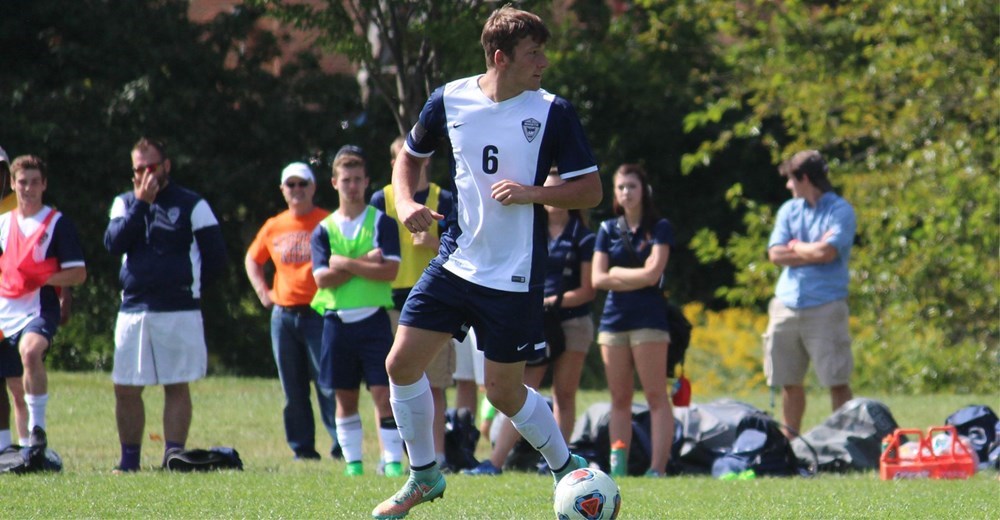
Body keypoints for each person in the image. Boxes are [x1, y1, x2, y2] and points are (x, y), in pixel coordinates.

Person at [372, 6, 602, 518]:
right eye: (533, 54)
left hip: (514, 275)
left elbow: (590, 191)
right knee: (400, 363)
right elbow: (409, 156)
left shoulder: (552, 112)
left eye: (543, 51)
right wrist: (406, 203)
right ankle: (424, 476)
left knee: (501, 390)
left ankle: (567, 468)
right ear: (500, 57)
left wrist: (532, 192)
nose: (543, 62)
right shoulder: (449, 98)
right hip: (456, 260)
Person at [104, 137, 227, 472]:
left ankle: (173, 457)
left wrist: (187, 286)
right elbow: (114, 244)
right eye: (138, 168)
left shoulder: (192, 204)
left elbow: (217, 258)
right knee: (126, 387)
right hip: (134, 309)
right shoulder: (124, 203)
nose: (146, 173)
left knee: (177, 383)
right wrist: (141, 204)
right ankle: (129, 461)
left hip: (179, 308)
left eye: (152, 166)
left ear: (166, 166)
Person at [465, 169, 596, 475]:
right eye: (548, 190)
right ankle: (495, 462)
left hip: (573, 322)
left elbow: (588, 289)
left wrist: (552, 302)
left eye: (560, 191)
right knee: (523, 390)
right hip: (536, 320)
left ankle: (560, 464)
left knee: (565, 393)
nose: (554, 199)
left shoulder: (583, 235)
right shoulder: (530, 228)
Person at [310, 145, 402, 477]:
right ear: (334, 182)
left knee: (383, 393)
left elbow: (389, 271)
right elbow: (322, 279)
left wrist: (345, 263)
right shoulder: (323, 229)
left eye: (358, 180)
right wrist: (366, 262)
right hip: (337, 323)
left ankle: (391, 461)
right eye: (346, 179)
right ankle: (354, 464)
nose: (352, 186)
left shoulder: (382, 223)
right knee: (344, 397)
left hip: (373, 319)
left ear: (366, 182)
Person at [370, 136, 456, 472]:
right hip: (391, 299)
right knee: (391, 382)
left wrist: (434, 242)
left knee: (435, 384)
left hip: (435, 300)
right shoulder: (382, 200)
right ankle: (391, 457)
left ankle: (439, 458)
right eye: (401, 158)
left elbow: (462, 249)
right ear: (395, 164)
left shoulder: (444, 198)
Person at [245, 161, 339, 461]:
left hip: (319, 313)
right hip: (283, 316)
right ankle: (303, 449)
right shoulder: (275, 225)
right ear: (283, 190)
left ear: (313, 187)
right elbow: (252, 259)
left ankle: (342, 447)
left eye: (303, 184)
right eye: (291, 185)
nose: (297, 190)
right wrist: (263, 292)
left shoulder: (327, 221)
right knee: (292, 388)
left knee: (328, 384)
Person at [764, 150, 856, 438]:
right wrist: (809, 249)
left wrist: (794, 246)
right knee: (789, 381)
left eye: (791, 180)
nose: (788, 186)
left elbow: (827, 252)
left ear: (804, 178)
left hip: (826, 306)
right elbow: (774, 254)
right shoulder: (789, 210)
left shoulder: (840, 210)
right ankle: (790, 444)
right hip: (786, 304)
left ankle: (846, 441)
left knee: (836, 380)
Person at [592, 163, 675, 477]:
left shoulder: (660, 227)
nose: (626, 192)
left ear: (644, 190)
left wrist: (617, 273)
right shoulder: (607, 229)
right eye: (621, 187)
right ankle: (619, 468)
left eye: (632, 186)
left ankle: (658, 468)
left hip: (650, 322)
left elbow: (654, 275)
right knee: (619, 399)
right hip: (613, 323)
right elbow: (598, 278)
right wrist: (630, 276)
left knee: (656, 396)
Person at [0, 154, 87, 452]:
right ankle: (21, 449)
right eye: (22, 182)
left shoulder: (57, 224)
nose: (28, 188)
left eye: (35, 182)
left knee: (31, 351)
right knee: (13, 385)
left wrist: (44, 277)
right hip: (4, 310)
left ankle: (38, 430)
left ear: (44, 184)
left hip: (38, 309)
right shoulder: (2, 223)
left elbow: (78, 273)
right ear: (12, 184)